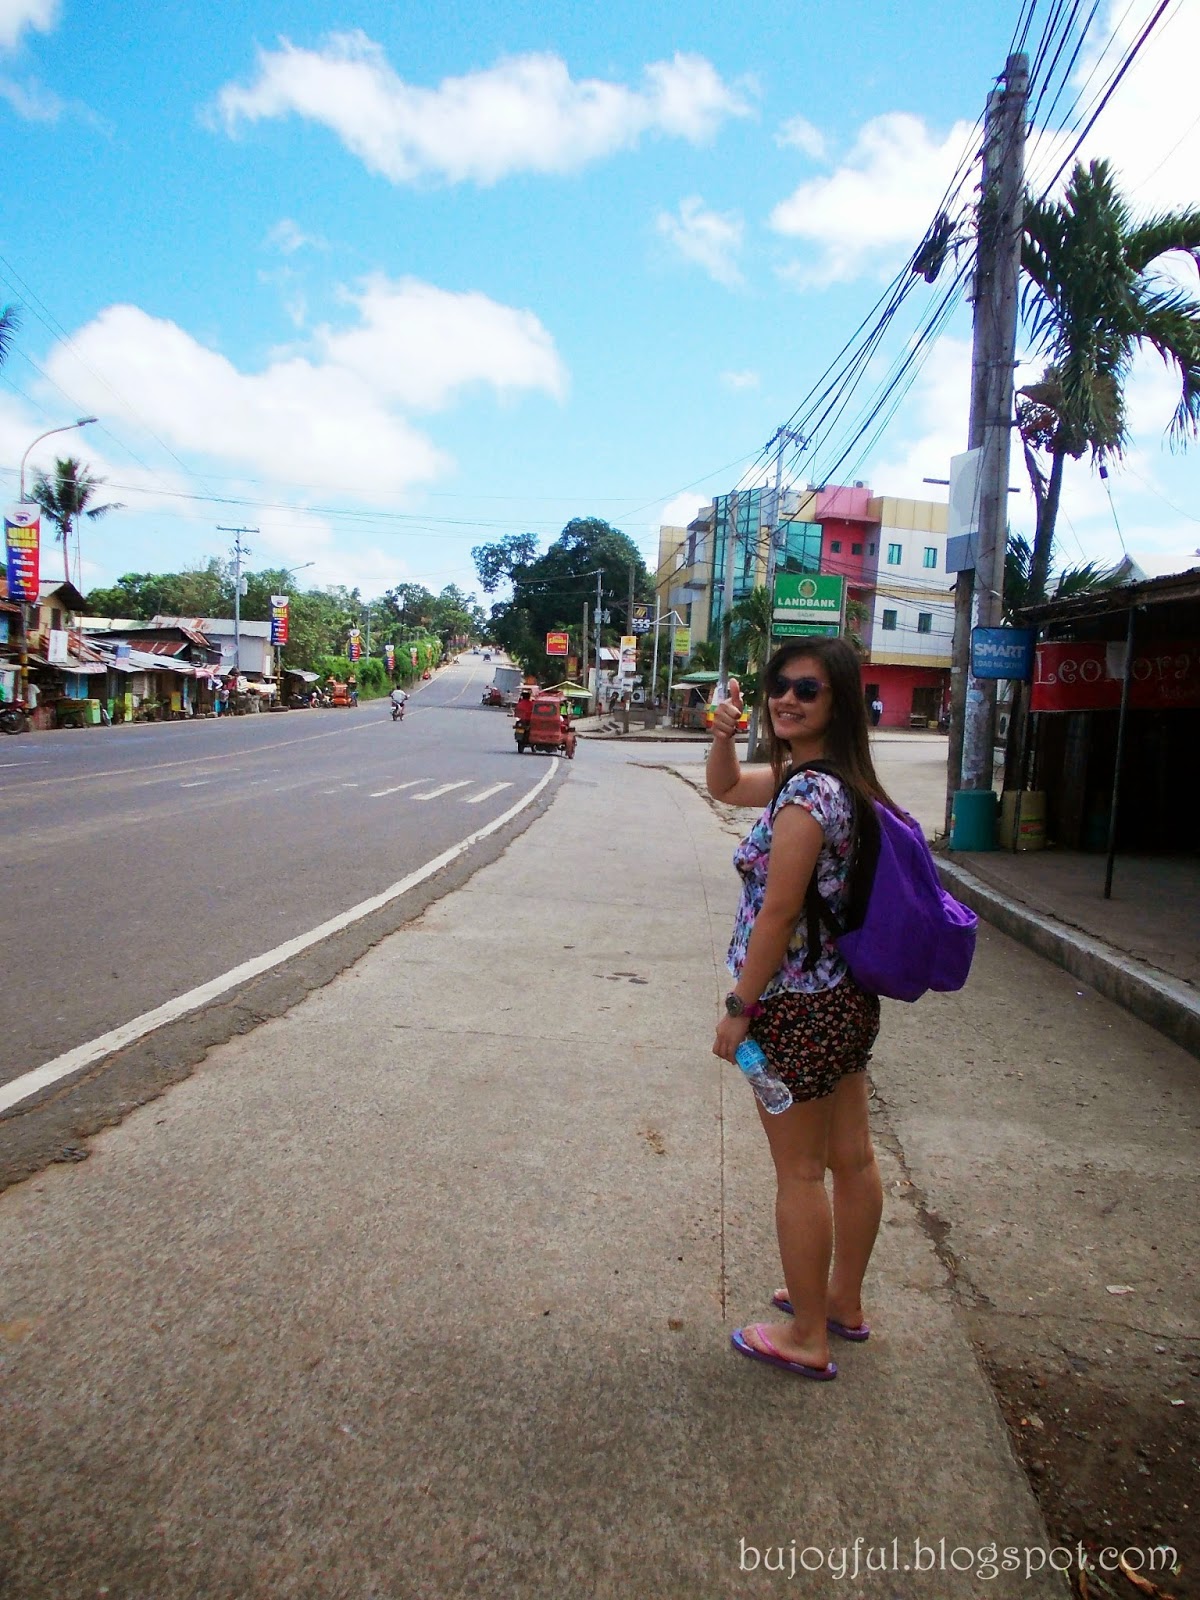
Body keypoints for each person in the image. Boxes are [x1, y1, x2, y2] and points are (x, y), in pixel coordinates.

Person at [707, 637, 897, 1381]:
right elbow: (726, 789)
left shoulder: (808, 795)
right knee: (852, 1157)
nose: (786, 697)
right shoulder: (833, 780)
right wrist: (722, 737)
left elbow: (778, 913)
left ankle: (807, 1336)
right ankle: (842, 1301)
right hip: (843, 1000)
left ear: (837, 700)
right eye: (777, 685)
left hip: (791, 1009)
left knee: (799, 1174)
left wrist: (738, 1008)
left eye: (806, 689)